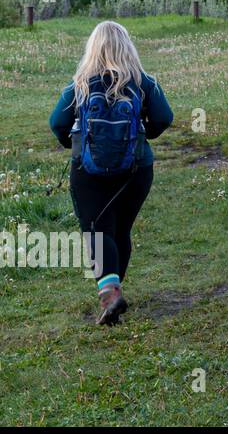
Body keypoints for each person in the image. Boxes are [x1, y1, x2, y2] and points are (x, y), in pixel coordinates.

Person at [49, 21, 173, 325]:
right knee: (119, 230)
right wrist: (142, 139)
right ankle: (114, 290)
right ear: (127, 46)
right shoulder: (144, 82)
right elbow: (164, 118)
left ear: (93, 47)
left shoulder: (79, 83)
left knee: (96, 231)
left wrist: (76, 145)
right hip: (136, 170)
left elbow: (57, 123)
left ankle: (110, 293)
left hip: (87, 170)